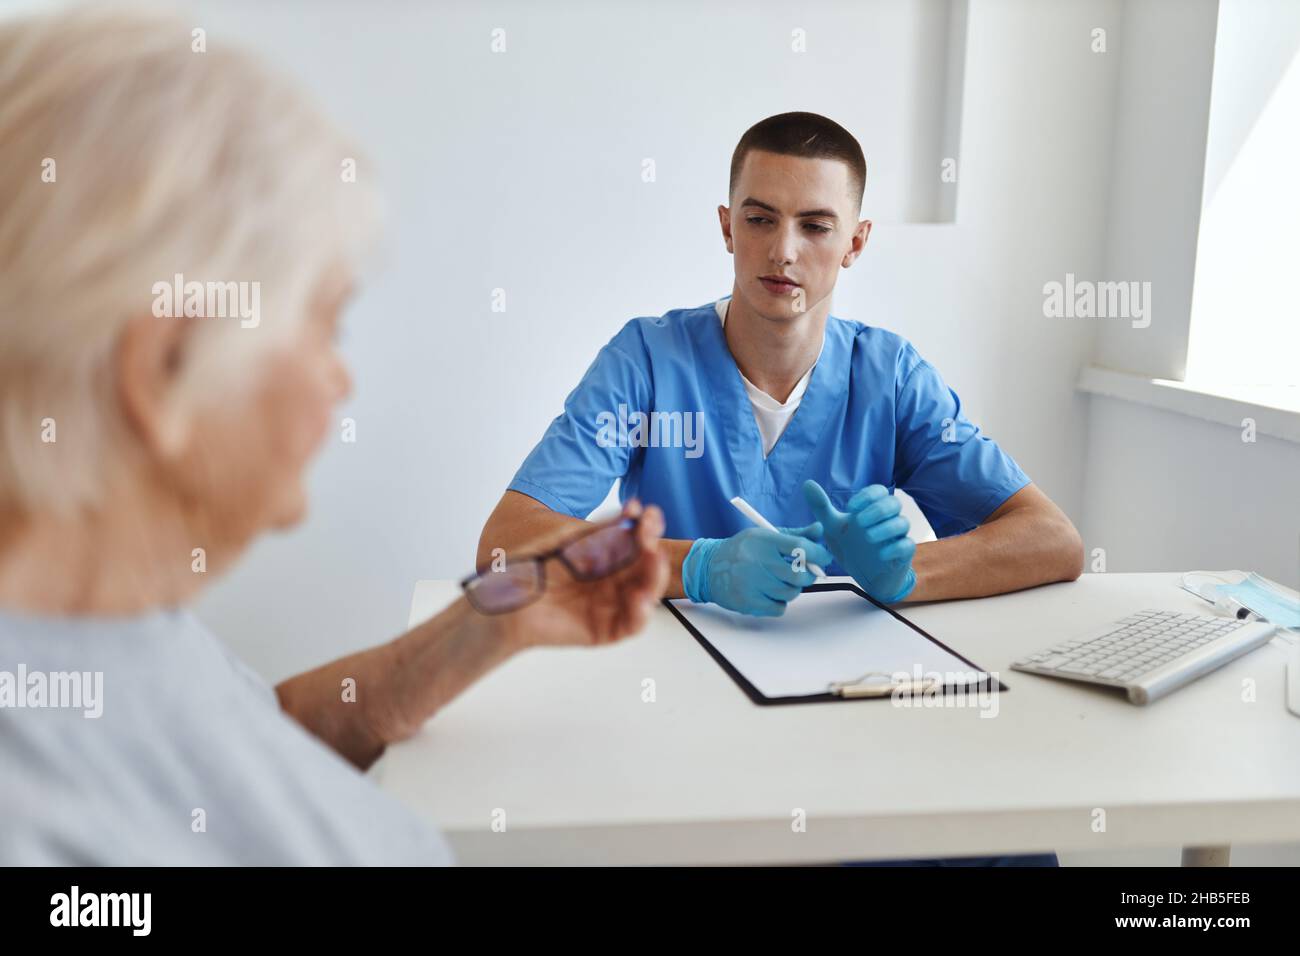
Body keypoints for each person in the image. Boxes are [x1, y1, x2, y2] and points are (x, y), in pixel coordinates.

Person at [0, 6, 668, 865]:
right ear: (163, 369)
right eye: (326, 325)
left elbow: (250, 750)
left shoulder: (111, 621)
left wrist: (486, 628)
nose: (339, 377)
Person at [480, 111, 1083, 619]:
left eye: (816, 226)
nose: (783, 251)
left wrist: (905, 576)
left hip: (845, 687)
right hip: (671, 678)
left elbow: (1051, 540)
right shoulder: (647, 362)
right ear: (727, 226)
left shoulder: (890, 378)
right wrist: (698, 566)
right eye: (760, 218)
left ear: (855, 243)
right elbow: (506, 545)